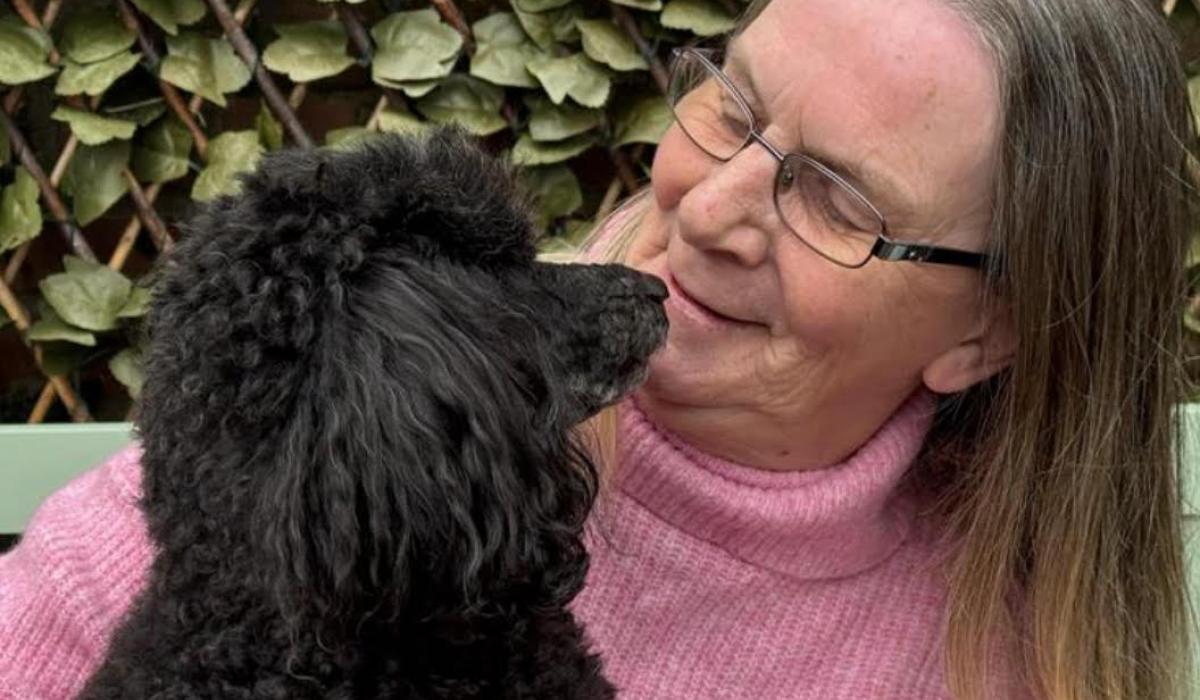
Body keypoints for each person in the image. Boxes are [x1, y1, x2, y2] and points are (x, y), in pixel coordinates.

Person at [0, 0, 1195, 698]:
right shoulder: (319, 467)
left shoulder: (1010, 652)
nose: (712, 207)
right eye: (732, 104)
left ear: (987, 332)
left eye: (837, 198)